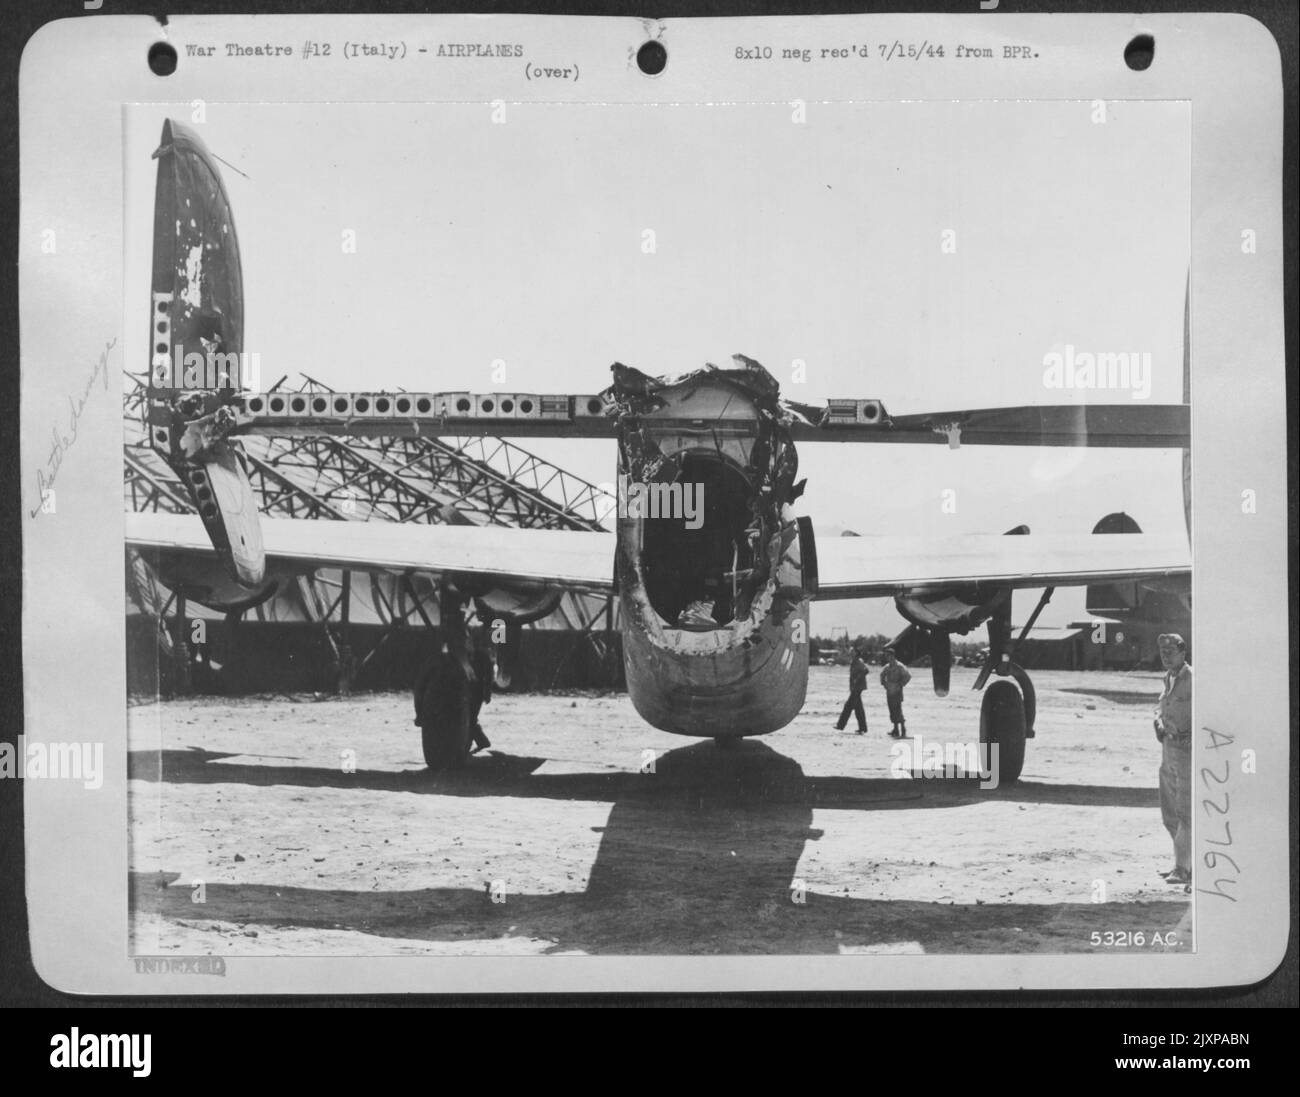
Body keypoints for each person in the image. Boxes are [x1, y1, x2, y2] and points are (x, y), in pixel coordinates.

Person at [1153, 633, 1193, 885]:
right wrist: (1156, 721)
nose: (1166, 657)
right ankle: (1187, 862)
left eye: (1171, 652)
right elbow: (1160, 706)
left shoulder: (1193, 679)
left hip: (1187, 751)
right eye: (1162, 653)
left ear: (1183, 651)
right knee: (1169, 813)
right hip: (1168, 750)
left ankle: (1181, 868)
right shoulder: (1168, 679)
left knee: (1185, 813)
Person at [834, 647, 869, 734]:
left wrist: (857, 679)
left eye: (852, 651)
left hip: (857, 688)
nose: (851, 652)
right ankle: (863, 728)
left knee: (848, 706)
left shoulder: (859, 661)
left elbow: (866, 670)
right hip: (855, 687)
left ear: (856, 653)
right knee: (858, 709)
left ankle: (840, 725)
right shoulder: (854, 661)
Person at [880, 648, 912, 738]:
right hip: (889, 691)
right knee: (892, 710)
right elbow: (882, 675)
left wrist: (900, 684)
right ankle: (895, 729)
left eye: (888, 655)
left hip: (897, 691)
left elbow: (908, 676)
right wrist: (884, 684)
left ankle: (903, 729)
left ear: (893, 656)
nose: (887, 657)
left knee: (898, 710)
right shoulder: (887, 667)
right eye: (886, 656)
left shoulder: (899, 666)